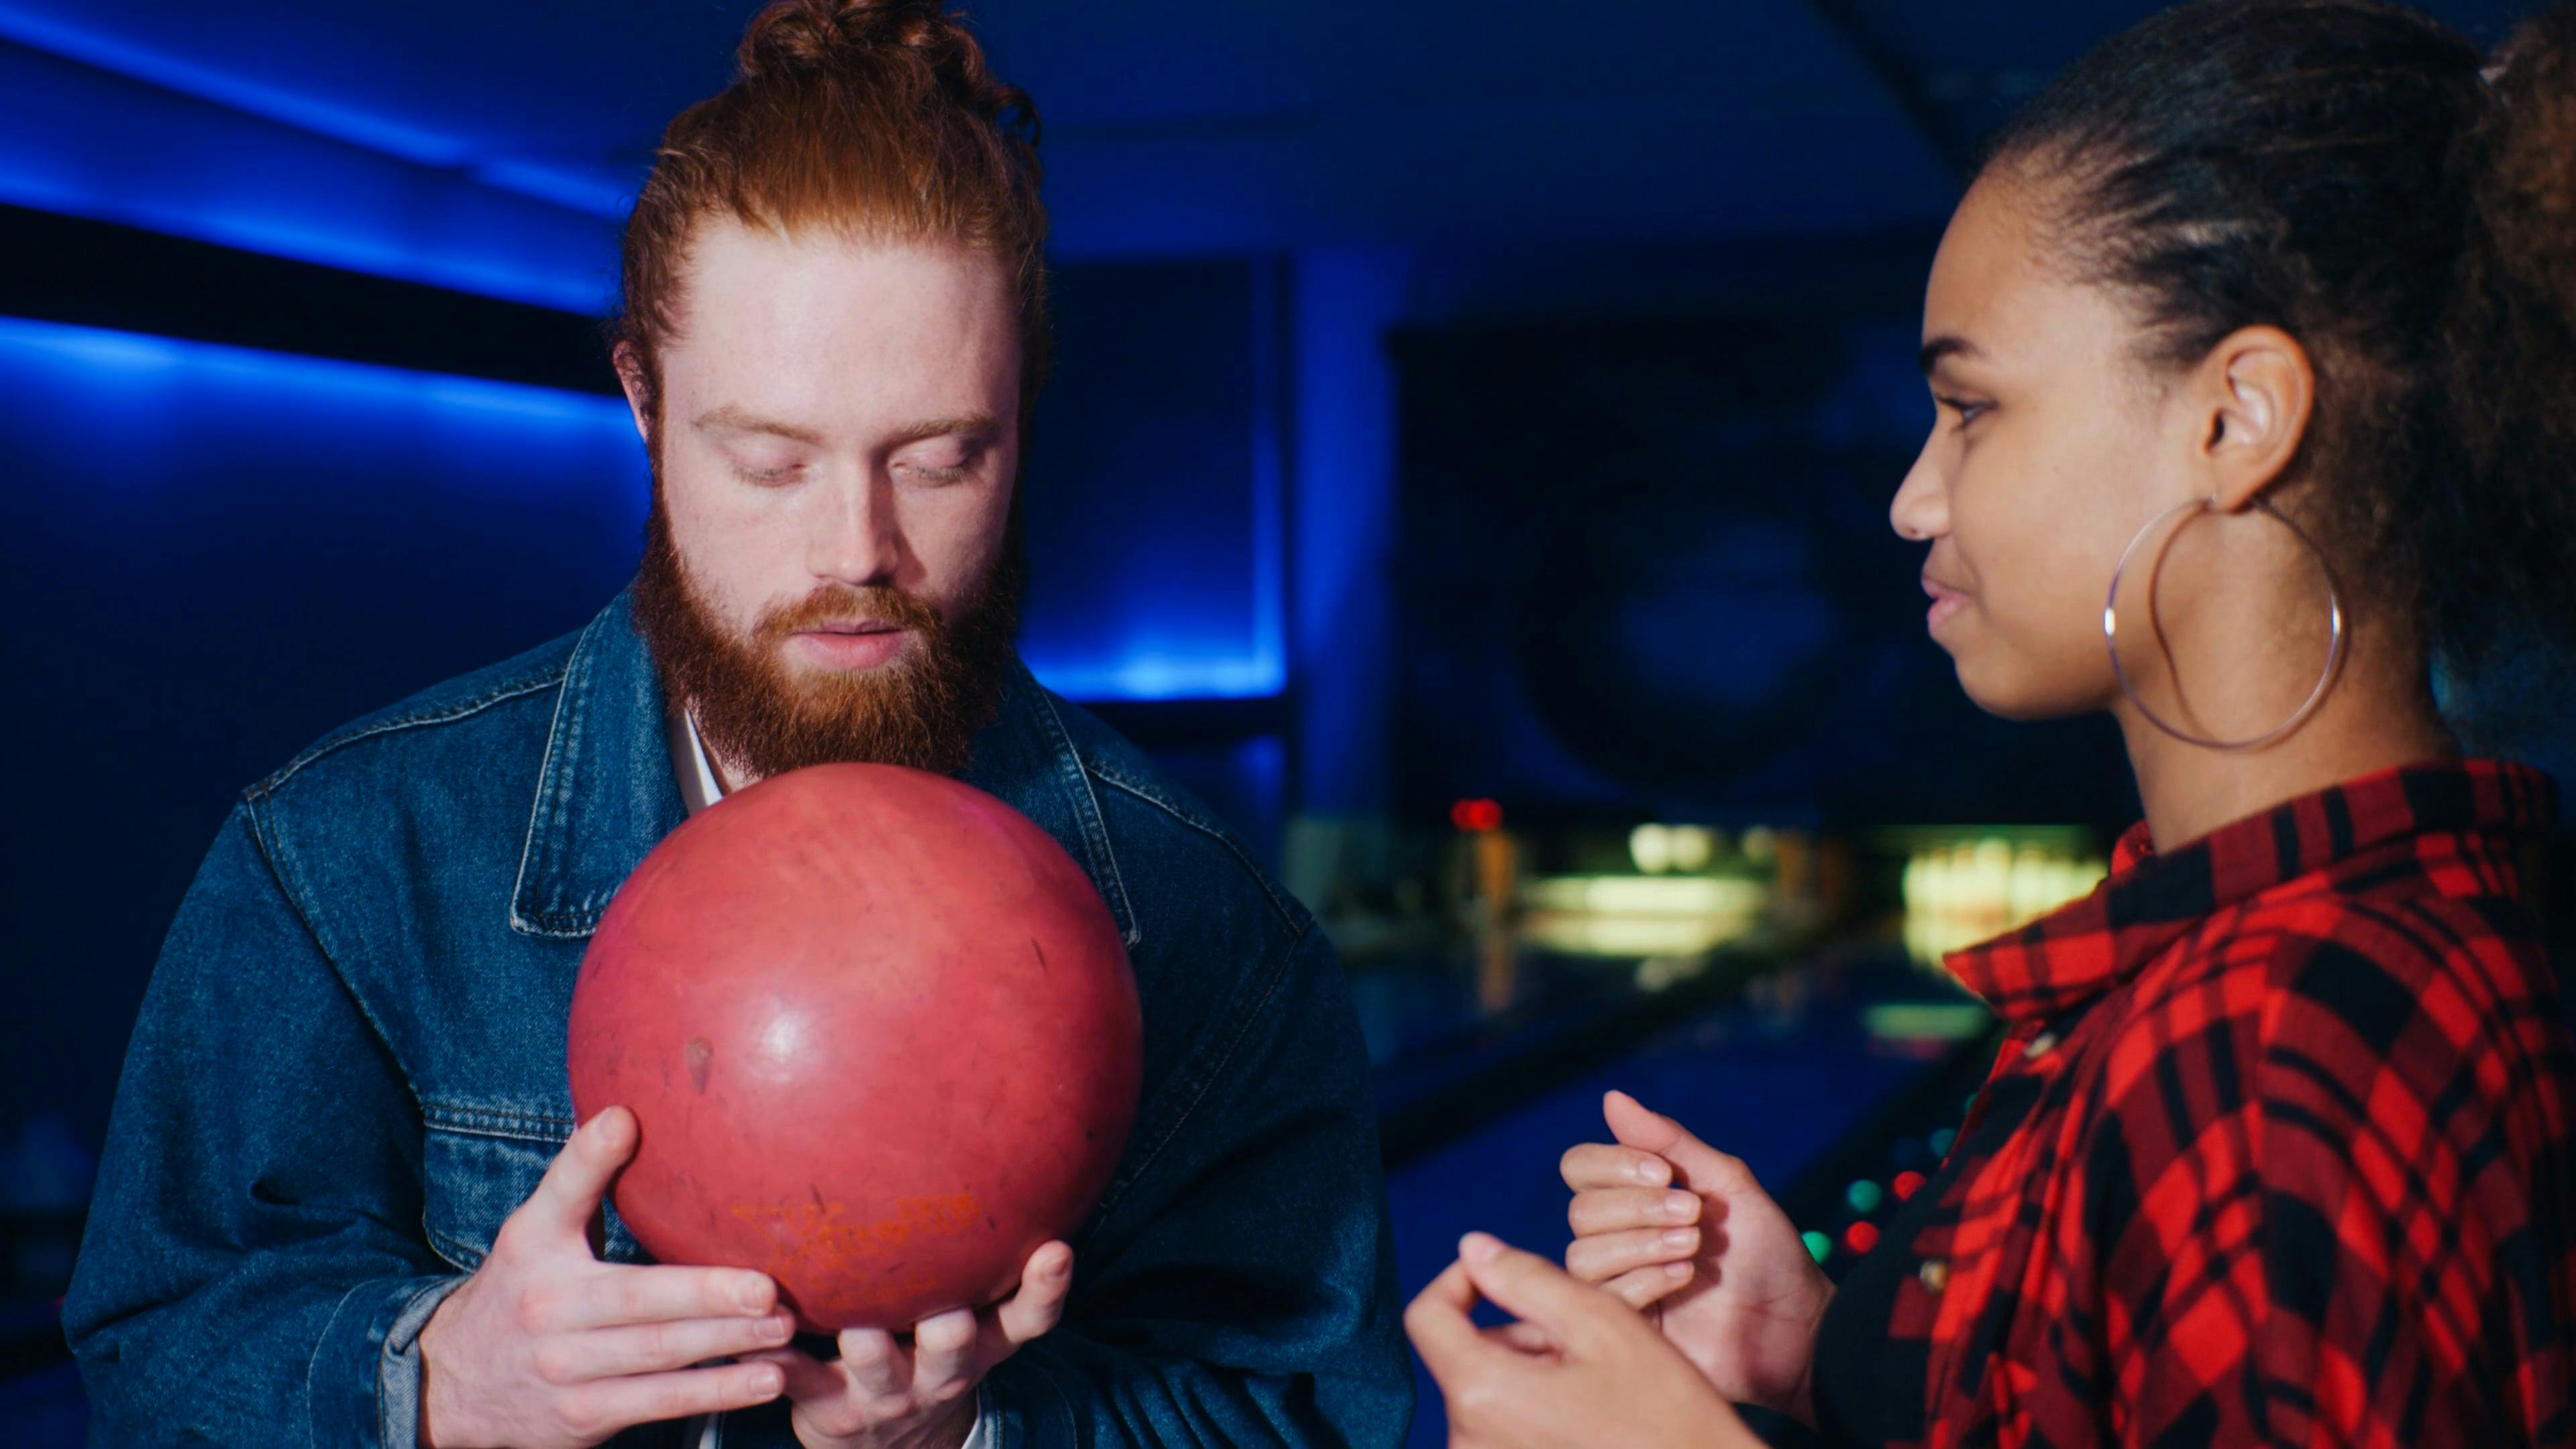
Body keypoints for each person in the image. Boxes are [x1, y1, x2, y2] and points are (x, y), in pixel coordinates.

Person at [62, 3, 1412, 1446]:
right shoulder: (341, 857)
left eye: (942, 458)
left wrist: (968, 1437)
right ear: (643, 400)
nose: (858, 547)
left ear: (1023, 419)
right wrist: (443, 1378)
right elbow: (155, 1345)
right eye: (770, 461)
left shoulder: (1216, 928)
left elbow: (1310, 1412)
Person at [1406, 1, 2576, 1444]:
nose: (1915, 497)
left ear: (2236, 421)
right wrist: (1843, 1360)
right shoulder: (2348, 938)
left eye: (1972, 409)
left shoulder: (2273, 1043)